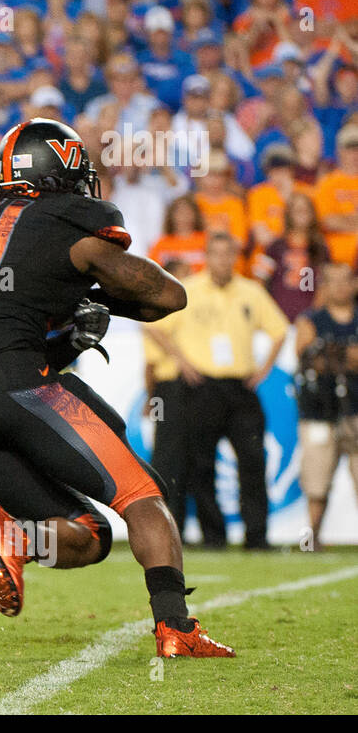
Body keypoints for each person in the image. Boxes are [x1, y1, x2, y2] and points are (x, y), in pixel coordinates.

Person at [0, 117, 234, 658]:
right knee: (143, 496)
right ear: (62, 172)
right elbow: (167, 297)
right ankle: (175, 628)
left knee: (88, 535)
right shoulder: (67, 219)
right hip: (16, 388)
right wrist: (104, 295)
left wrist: (69, 331)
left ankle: (12, 533)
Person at [146, 231, 289, 550]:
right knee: (201, 464)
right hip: (201, 386)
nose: (223, 261)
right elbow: (155, 326)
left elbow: (280, 330)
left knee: (253, 460)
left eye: (229, 254)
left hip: (240, 385)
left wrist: (263, 370)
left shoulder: (251, 291)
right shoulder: (189, 290)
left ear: (235, 258)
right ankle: (214, 536)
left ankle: (257, 537)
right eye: (217, 254)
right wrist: (182, 361)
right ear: (207, 257)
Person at [295, 263, 358, 545]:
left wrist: (329, 354)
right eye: (333, 281)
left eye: (346, 280)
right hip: (318, 409)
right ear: (324, 285)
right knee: (316, 479)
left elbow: (318, 357)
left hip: (355, 408)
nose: (340, 287)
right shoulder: (311, 318)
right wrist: (345, 357)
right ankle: (313, 537)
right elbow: (305, 355)